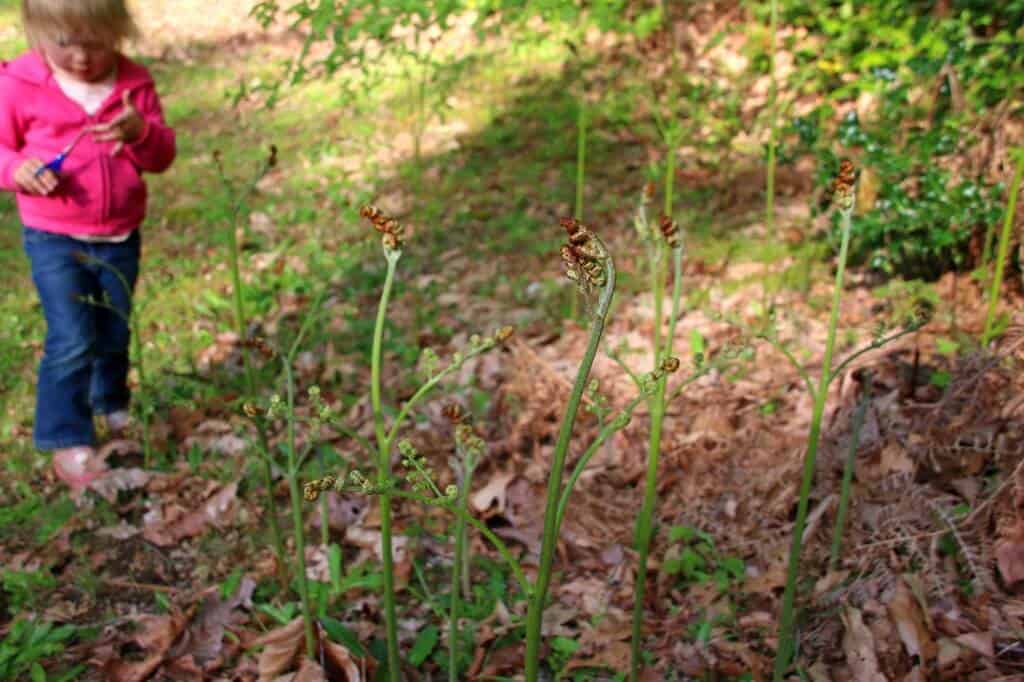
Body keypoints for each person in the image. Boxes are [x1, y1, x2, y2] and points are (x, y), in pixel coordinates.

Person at [0, 0, 176, 495]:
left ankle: (110, 404)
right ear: (39, 32)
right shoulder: (20, 82)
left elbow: (162, 155)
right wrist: (15, 171)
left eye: (94, 43)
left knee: (113, 327)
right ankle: (66, 435)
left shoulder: (132, 85)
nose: (80, 57)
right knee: (73, 335)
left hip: (120, 231)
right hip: (53, 234)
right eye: (64, 43)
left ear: (118, 30)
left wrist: (140, 133)